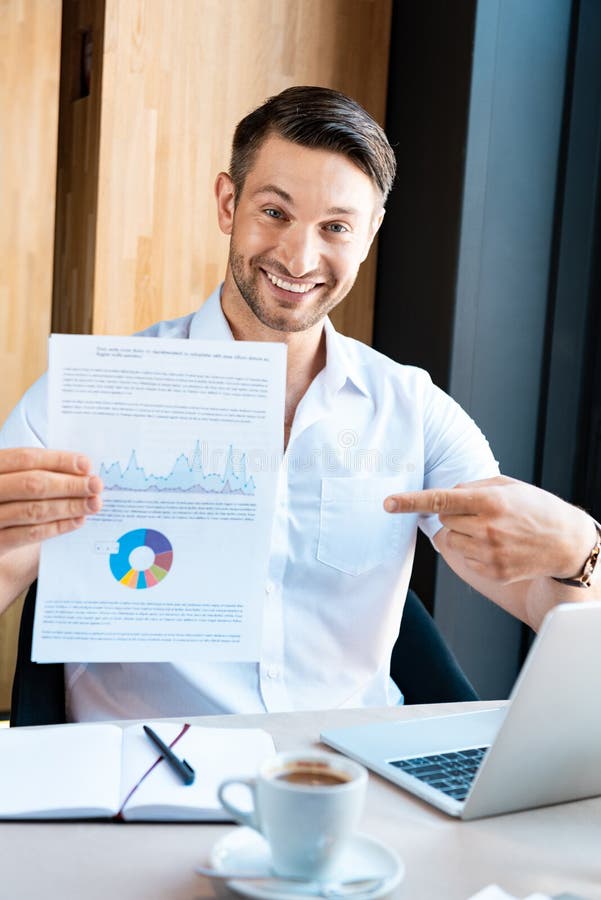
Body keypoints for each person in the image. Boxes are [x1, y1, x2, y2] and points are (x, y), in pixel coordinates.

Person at [0, 86, 599, 721]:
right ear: (228, 204)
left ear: (369, 234)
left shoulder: (413, 410)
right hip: (148, 768)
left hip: (347, 767)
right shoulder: (91, 397)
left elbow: (540, 599)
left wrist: (579, 552)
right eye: (275, 212)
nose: (299, 257)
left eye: (335, 227)